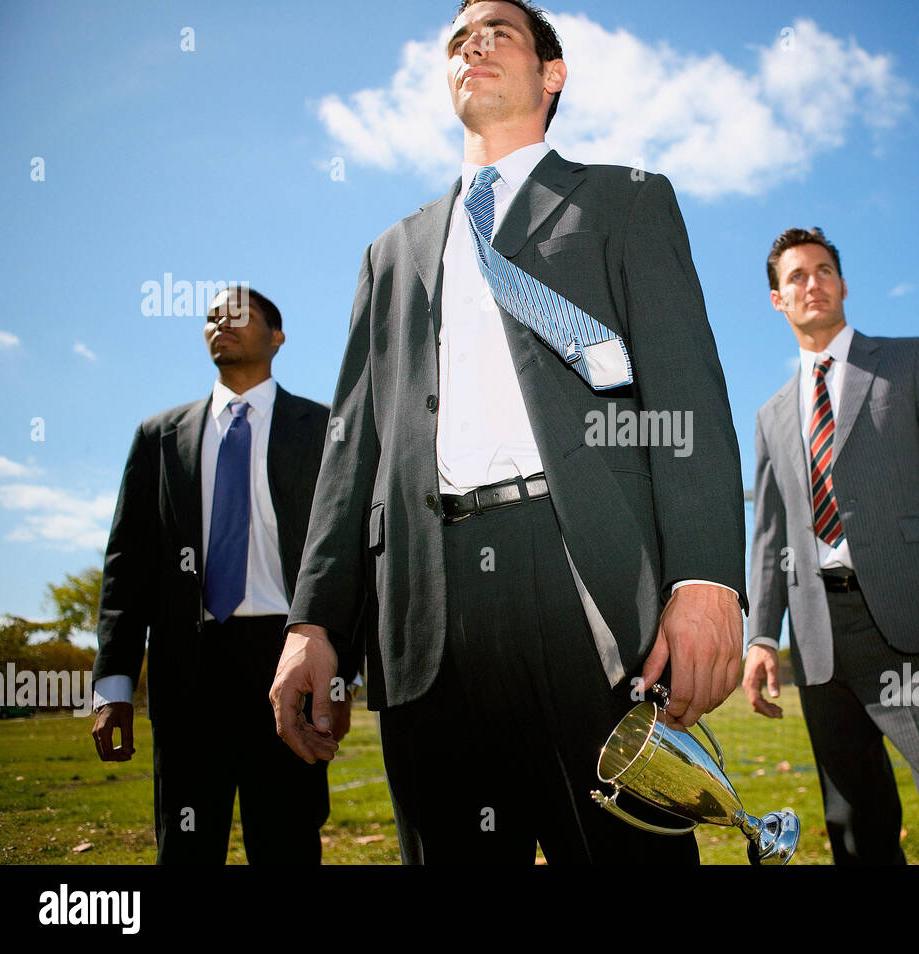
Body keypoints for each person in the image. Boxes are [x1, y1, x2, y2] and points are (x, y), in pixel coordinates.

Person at [269, 0, 746, 864]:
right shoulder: (393, 251)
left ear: (551, 74)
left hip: (588, 595)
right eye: (457, 39)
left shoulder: (626, 200)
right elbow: (353, 456)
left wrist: (708, 575)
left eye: (499, 32)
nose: (473, 45)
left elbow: (688, 397)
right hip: (425, 606)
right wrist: (314, 622)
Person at [743, 227, 919, 864]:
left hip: (914, 621)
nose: (813, 283)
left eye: (825, 269)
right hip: (818, 639)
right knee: (855, 825)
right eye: (798, 276)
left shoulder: (911, 360)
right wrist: (760, 637)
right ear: (778, 301)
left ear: (842, 283)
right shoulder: (772, 414)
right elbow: (770, 536)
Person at [91, 286, 353, 864]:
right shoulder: (158, 437)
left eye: (239, 314)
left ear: (277, 336)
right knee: (184, 846)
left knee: (286, 842)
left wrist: (340, 678)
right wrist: (114, 687)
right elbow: (126, 568)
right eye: (211, 316)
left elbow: (347, 554)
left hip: (288, 658)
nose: (221, 324)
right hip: (188, 666)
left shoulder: (324, 428)